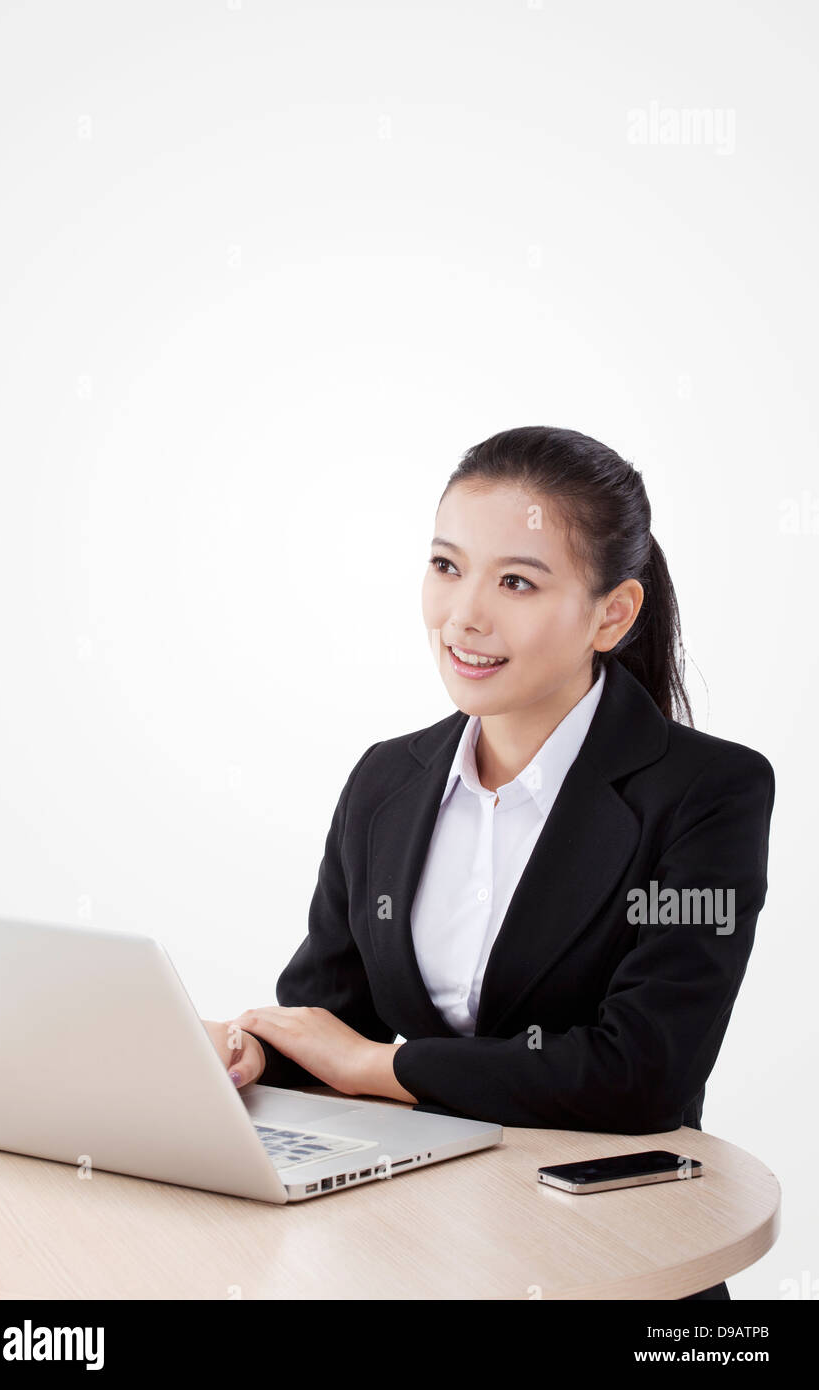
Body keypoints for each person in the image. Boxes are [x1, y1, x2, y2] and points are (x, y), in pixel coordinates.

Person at [204, 426, 775, 1301]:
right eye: (445, 566)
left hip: (613, 1259)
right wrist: (245, 1055)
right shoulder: (386, 781)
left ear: (612, 615)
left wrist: (381, 1069)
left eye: (515, 581)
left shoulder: (707, 792)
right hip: (416, 1246)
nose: (464, 614)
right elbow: (329, 1021)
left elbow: (642, 1071)